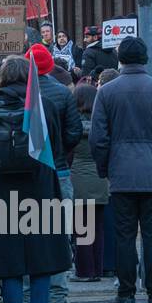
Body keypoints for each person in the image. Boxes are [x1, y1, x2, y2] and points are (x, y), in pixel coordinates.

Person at [0, 57, 70, 303]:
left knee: (8, 251)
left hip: (3, 188)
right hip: (40, 185)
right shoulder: (45, 107)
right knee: (42, 250)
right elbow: (59, 146)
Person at [89, 36, 152, 303]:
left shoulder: (106, 92)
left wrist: (106, 168)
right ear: (145, 59)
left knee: (124, 236)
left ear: (120, 60)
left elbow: (98, 138)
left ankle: (126, 293)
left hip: (121, 175)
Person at [28, 44, 82, 303]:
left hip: (27, 174)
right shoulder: (62, 93)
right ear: (50, 66)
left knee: (25, 231)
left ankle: (28, 295)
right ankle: (58, 294)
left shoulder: (18, 96)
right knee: (58, 233)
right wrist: (59, 149)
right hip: (59, 171)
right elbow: (74, 133)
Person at [69, 84, 108, 281]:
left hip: (79, 178)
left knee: (82, 228)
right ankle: (97, 269)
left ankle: (84, 270)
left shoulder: (73, 124)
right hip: (101, 179)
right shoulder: (102, 123)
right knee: (98, 228)